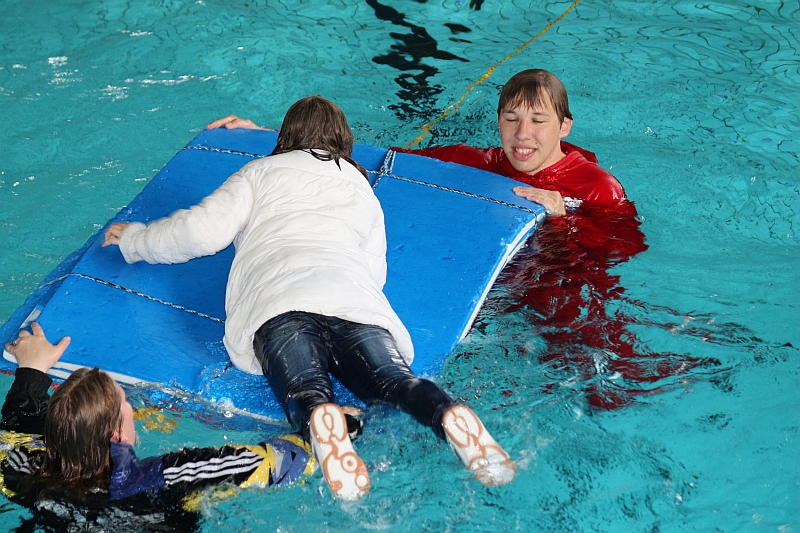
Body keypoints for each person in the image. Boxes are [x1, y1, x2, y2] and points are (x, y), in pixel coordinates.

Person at [103, 96, 516, 500]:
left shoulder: (258, 173)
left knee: (305, 388)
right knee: (394, 381)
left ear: (284, 137)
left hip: (279, 304)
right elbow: (375, 271)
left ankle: (321, 414)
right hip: (355, 301)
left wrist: (136, 240)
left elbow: (198, 232)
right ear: (344, 141)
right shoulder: (361, 187)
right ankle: (445, 412)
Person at [206, 71, 692, 410]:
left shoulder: (595, 184)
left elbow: (625, 249)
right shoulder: (474, 163)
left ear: (564, 127)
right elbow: (378, 160)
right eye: (511, 119)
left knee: (595, 371)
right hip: (497, 285)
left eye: (538, 121)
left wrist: (566, 218)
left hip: (566, 277)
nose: (522, 135)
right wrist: (275, 138)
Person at [1, 322, 314, 532]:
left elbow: (13, 428)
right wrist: (329, 426)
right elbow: (275, 463)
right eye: (128, 407)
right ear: (118, 436)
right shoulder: (162, 477)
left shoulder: (24, 470)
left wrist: (30, 369)